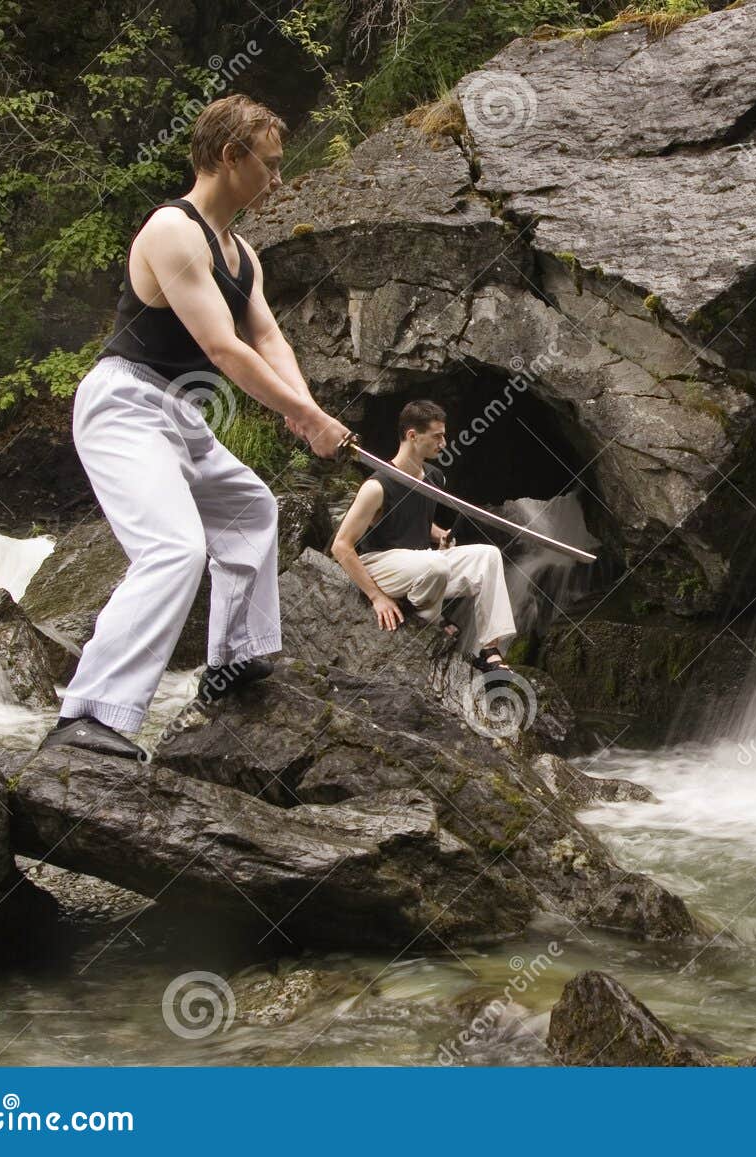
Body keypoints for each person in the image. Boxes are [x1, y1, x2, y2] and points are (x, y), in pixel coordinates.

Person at [40, 95, 350, 760]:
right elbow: (223, 348)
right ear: (229, 156)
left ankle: (232, 662)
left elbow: (266, 336)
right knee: (175, 549)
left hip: (176, 414)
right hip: (123, 404)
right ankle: (88, 716)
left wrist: (311, 411)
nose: (276, 181)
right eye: (267, 167)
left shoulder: (243, 255)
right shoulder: (172, 231)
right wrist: (302, 415)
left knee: (250, 507)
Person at [330, 400, 516, 672]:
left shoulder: (434, 478)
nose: (444, 443)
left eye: (444, 435)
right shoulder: (376, 486)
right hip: (380, 564)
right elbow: (341, 545)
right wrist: (376, 597)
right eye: (437, 436)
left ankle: (489, 651)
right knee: (435, 564)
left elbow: (412, 517)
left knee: (488, 556)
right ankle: (430, 619)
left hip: (420, 564)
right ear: (412, 436)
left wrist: (439, 535)